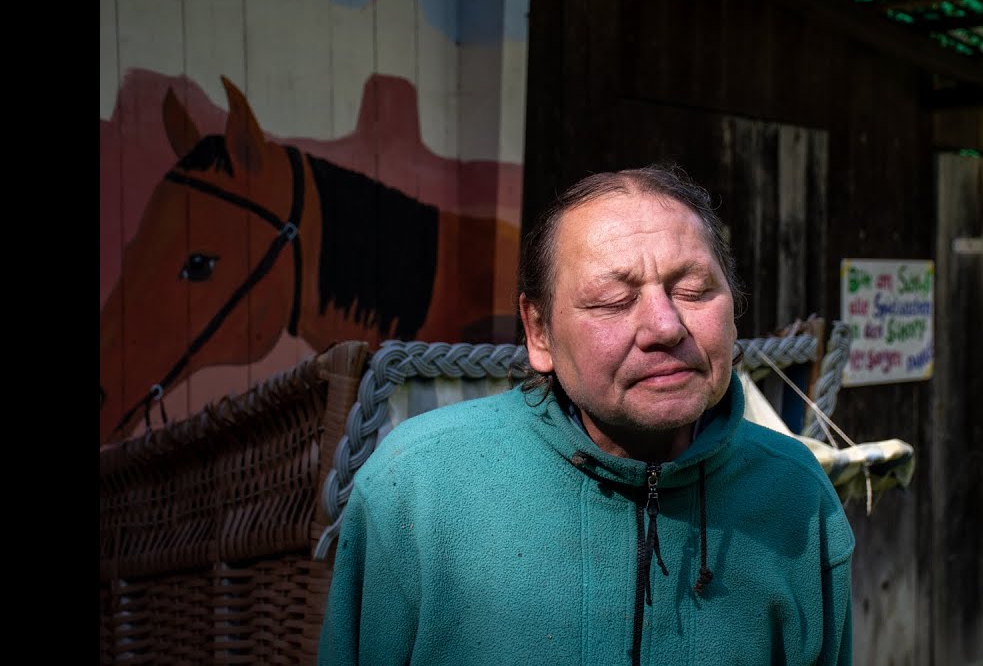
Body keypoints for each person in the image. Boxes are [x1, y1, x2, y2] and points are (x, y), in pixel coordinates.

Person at [318, 164, 855, 665]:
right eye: (612, 301)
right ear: (539, 331)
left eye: (693, 290)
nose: (665, 326)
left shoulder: (798, 498)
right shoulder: (417, 487)